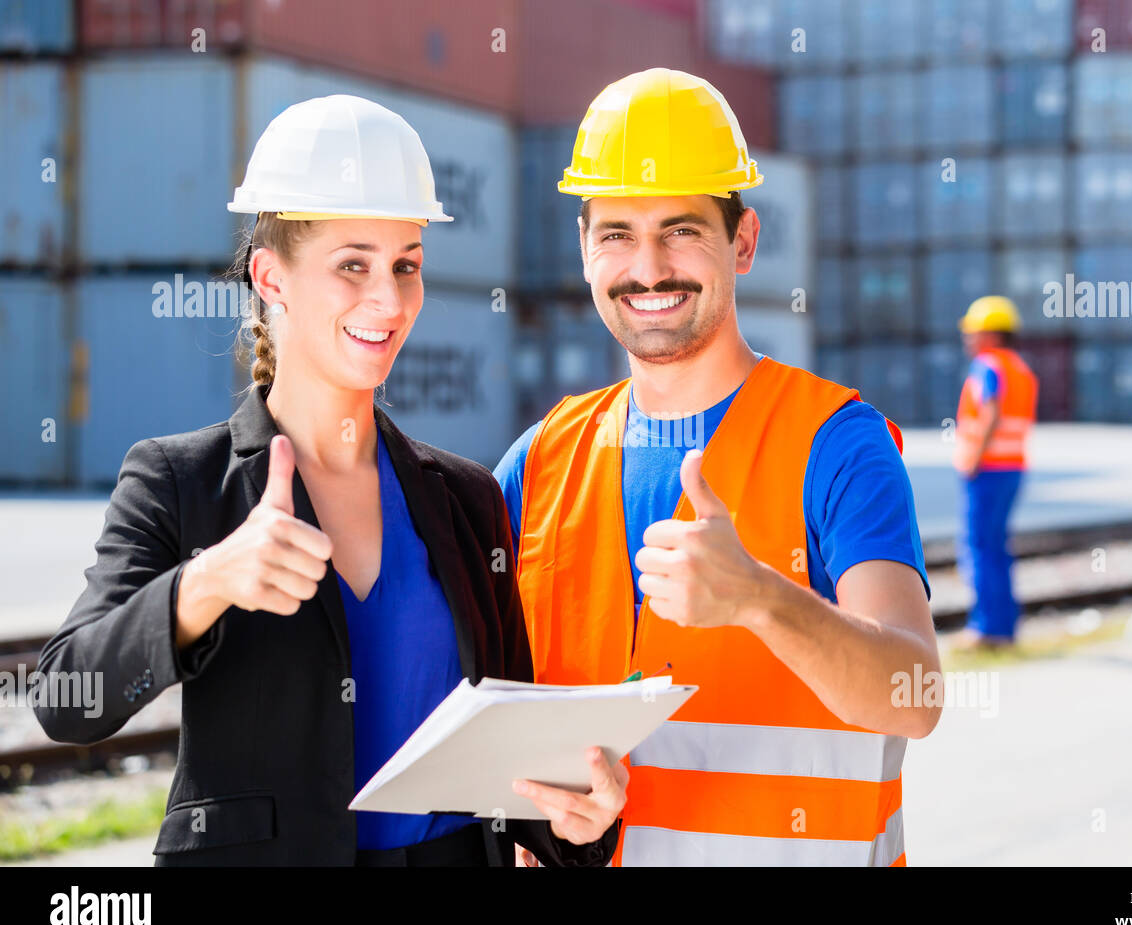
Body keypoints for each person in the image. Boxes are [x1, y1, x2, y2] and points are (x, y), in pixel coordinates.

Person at [34, 94, 624, 866]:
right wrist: (206, 582)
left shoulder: (467, 499)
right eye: (353, 265)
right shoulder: (180, 481)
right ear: (270, 277)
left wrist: (579, 821)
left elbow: (509, 765)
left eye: (406, 266)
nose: (388, 299)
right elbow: (65, 700)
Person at [494, 68, 940, 867]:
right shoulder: (540, 461)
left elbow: (917, 694)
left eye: (682, 229)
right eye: (617, 233)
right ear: (586, 249)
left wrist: (763, 599)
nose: (650, 267)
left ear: (743, 241)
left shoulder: (835, 443)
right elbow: (469, 713)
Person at [952, 296, 1040, 650]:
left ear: (990, 334)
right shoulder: (1020, 367)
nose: (968, 339)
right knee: (997, 548)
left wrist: (974, 455)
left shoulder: (988, 365)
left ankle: (986, 628)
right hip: (1013, 467)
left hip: (987, 469)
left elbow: (991, 409)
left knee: (979, 547)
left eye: (973, 332)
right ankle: (1005, 628)